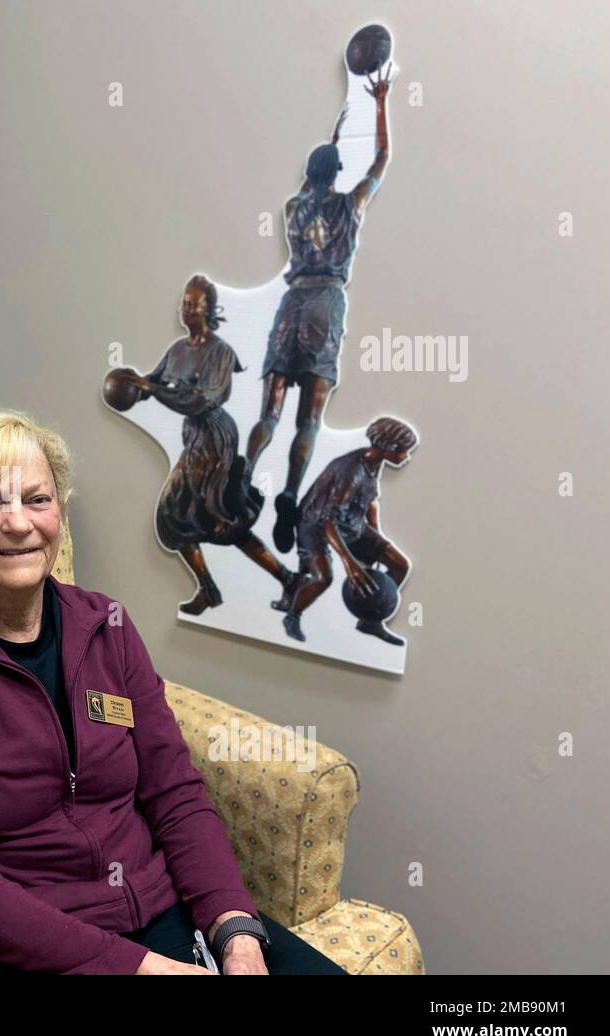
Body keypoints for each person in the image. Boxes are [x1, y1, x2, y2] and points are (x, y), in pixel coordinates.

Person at [0, 411, 346, 975]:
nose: (19, 523)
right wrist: (145, 970)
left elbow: (176, 795)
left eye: (37, 499)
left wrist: (235, 932)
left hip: (163, 910)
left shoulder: (105, 625)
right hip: (36, 943)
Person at [242, 63, 394, 555]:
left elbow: (314, 182)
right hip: (327, 303)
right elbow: (381, 160)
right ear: (336, 173)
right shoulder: (350, 206)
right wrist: (381, 102)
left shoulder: (293, 208)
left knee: (271, 408)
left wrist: (331, 137)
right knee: (309, 420)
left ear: (307, 174)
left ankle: (244, 475)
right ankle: (288, 492)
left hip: (293, 301)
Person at [123, 275, 297, 616]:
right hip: (194, 438)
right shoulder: (177, 351)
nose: (186, 309)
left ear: (209, 309)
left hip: (215, 439)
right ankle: (211, 588)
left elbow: (202, 399)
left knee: (221, 522)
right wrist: (132, 384)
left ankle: (286, 579)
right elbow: (153, 382)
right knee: (174, 518)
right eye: (184, 303)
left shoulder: (220, 352)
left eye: (193, 304)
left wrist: (155, 390)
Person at [280, 416, 416, 643]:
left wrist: (376, 539)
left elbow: (371, 502)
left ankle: (370, 621)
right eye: (404, 451)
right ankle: (292, 616)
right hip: (315, 524)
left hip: (348, 521)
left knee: (400, 565)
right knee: (323, 577)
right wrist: (351, 564)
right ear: (389, 447)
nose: (406, 456)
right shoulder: (351, 472)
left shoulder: (373, 462)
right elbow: (327, 521)